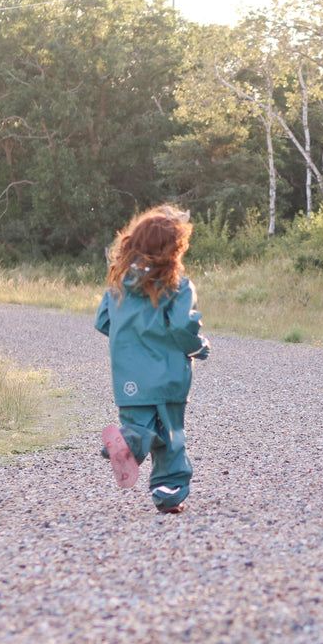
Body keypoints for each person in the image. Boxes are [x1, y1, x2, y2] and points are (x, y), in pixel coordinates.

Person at [96, 204, 210, 514]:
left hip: (128, 379)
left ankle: (130, 439)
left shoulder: (117, 287)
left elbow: (103, 322)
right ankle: (168, 490)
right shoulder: (178, 287)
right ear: (174, 251)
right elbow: (183, 326)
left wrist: (130, 339)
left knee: (139, 425)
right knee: (170, 437)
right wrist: (199, 347)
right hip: (168, 377)